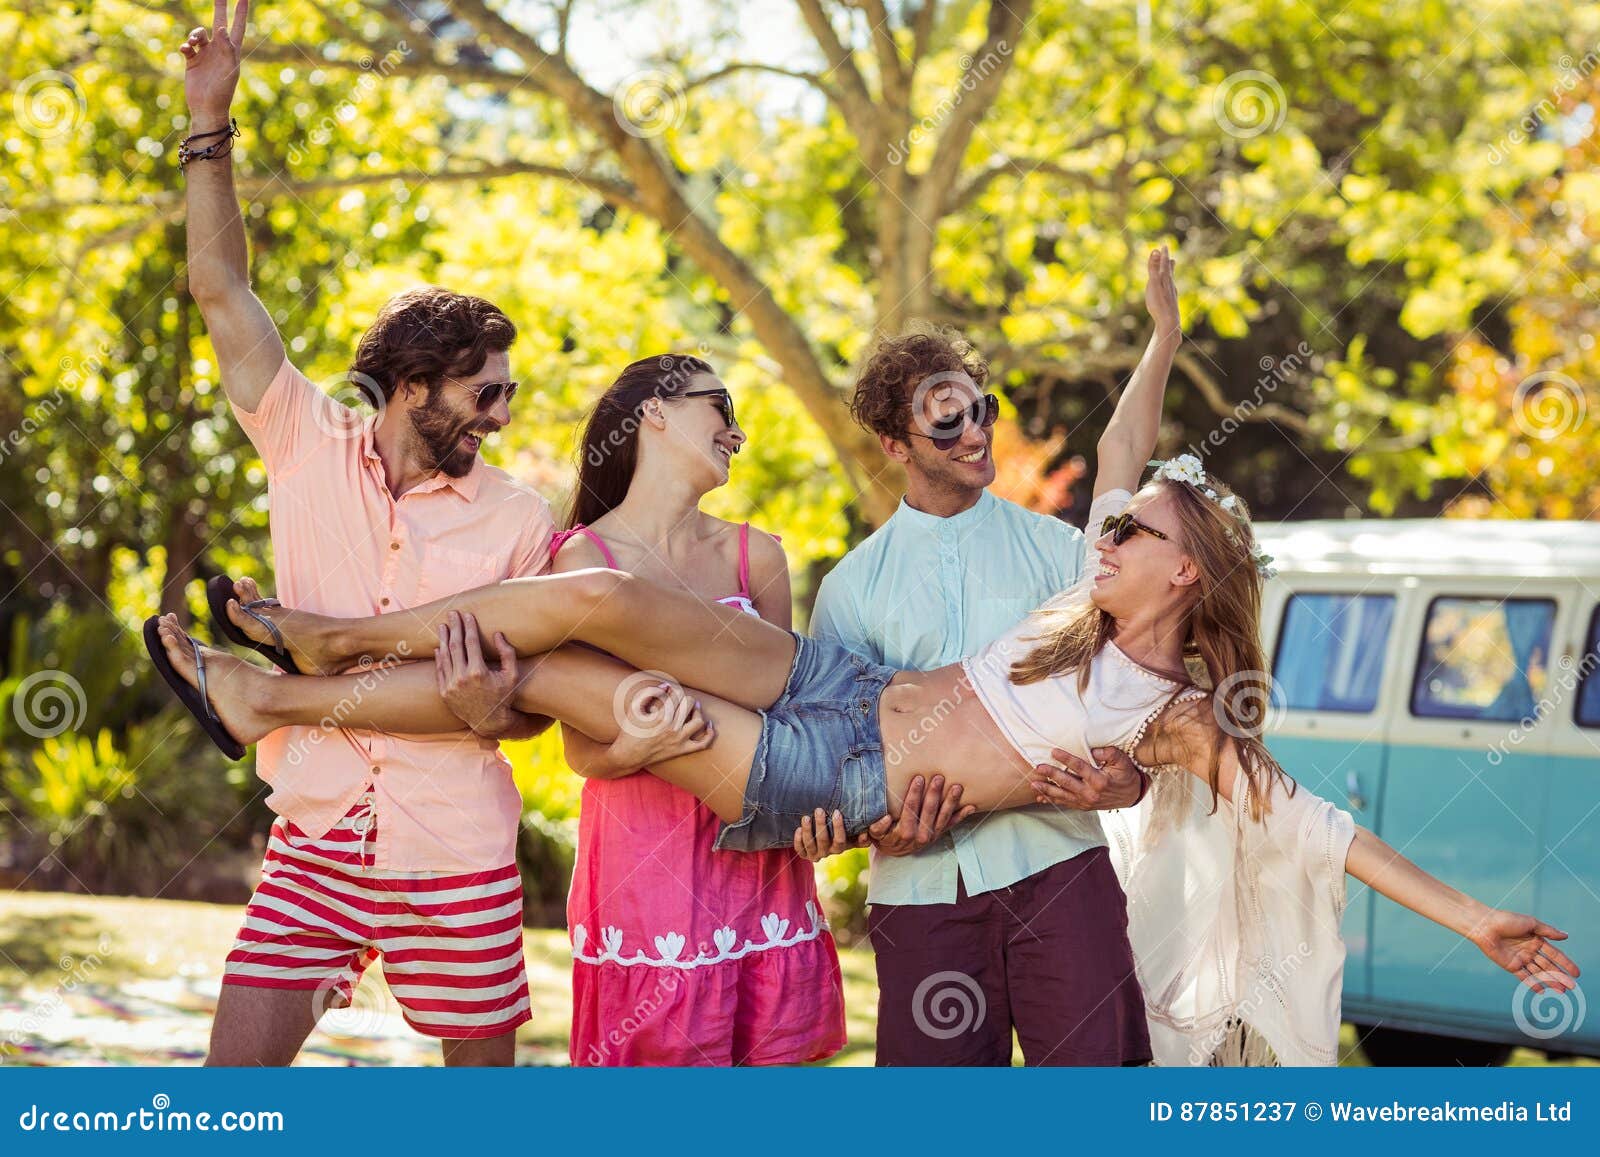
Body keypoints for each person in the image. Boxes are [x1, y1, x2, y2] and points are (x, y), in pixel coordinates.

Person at [146, 435, 1580, 1066]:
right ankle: (327, 643)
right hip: (844, 687)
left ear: (1185, 579)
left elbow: (1318, 825)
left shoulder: (1174, 715)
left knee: (556, 673)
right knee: (605, 600)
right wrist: (1149, 352)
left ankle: (273, 700)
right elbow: (1125, 445)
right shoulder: (1080, 614)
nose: (1115, 527)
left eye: (1138, 527)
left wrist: (1477, 919)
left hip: (826, 782)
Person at [170, 0, 554, 1066]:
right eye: (485, 394)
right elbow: (220, 284)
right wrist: (211, 119)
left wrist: (496, 711)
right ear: (412, 386)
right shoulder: (304, 439)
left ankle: (257, 692)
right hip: (317, 835)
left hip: (461, 847)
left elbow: (522, 709)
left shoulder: (523, 519)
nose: (503, 416)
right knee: (227, 1094)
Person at [793, 248, 1181, 1066]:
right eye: (947, 421)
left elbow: (1123, 455)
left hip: (1063, 871)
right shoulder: (851, 591)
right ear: (898, 445)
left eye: (982, 410)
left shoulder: (1061, 552)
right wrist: (879, 831)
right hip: (922, 895)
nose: (976, 433)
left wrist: (1129, 782)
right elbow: (831, 764)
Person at [441, 353, 846, 1065]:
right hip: (643, 866)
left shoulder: (758, 557)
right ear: (654, 411)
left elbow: (792, 725)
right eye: (721, 407)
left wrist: (814, 818)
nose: (736, 432)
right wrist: (635, 749)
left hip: (758, 868)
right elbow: (579, 750)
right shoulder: (579, 561)